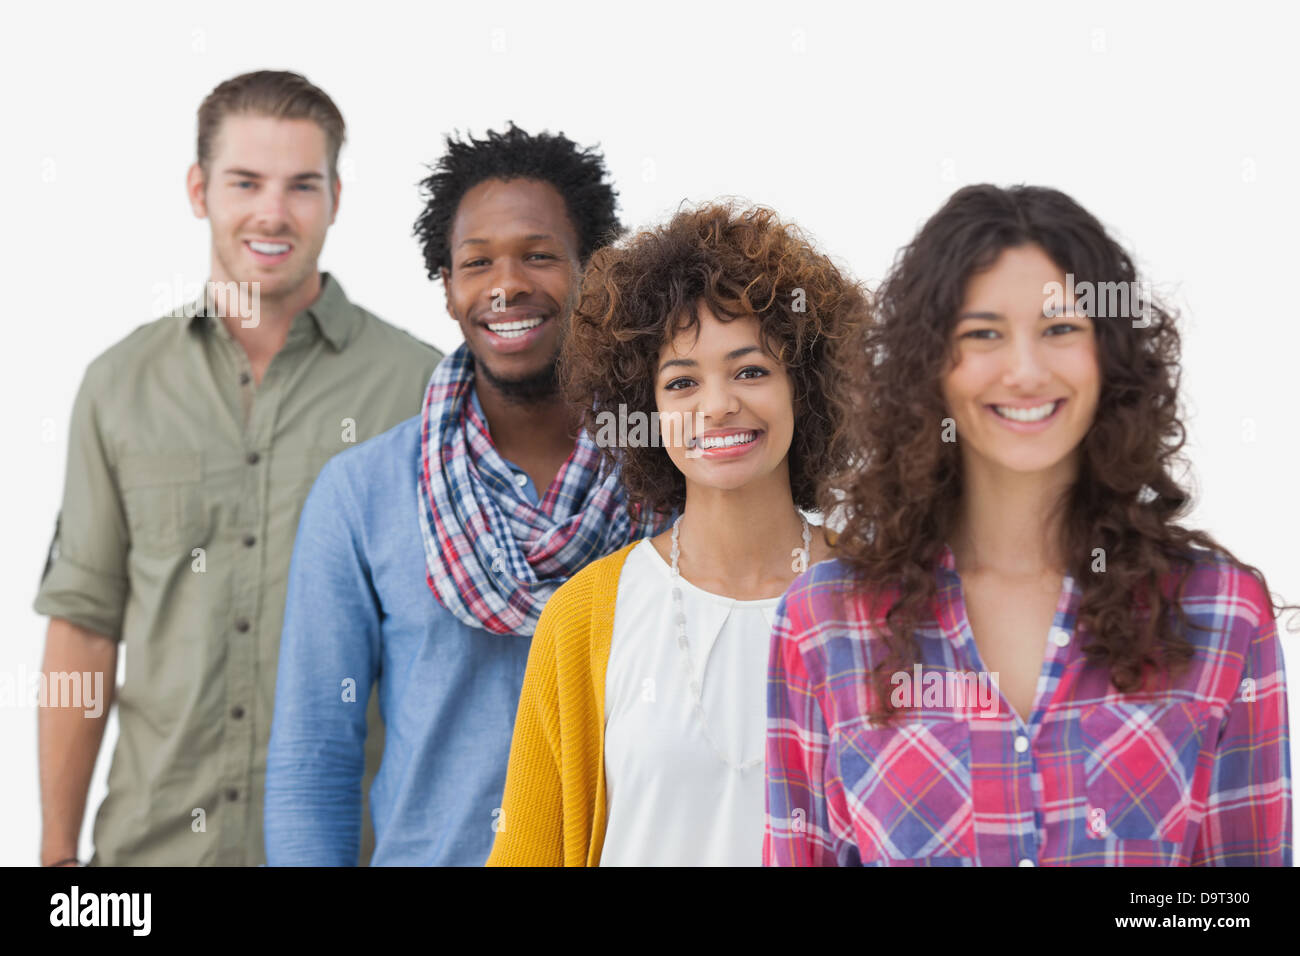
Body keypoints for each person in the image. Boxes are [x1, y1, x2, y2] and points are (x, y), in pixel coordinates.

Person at [765, 184, 1293, 867]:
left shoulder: (1220, 614)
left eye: (1060, 329)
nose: (1024, 370)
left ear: (1109, 356)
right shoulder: (822, 623)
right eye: (983, 334)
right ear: (930, 368)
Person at [34, 70, 442, 867]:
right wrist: (54, 853)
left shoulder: (419, 389)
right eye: (246, 182)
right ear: (198, 189)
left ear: (335, 198)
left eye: (302, 185)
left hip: (352, 847)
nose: (273, 213)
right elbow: (82, 629)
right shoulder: (119, 386)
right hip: (149, 855)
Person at [264, 124, 656, 866]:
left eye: (539, 256)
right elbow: (315, 754)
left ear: (593, 274)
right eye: (477, 263)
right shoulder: (363, 494)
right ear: (447, 287)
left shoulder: (665, 476)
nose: (507, 285)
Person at [486, 202, 867, 866]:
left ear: (802, 389)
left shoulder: (883, 606)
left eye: (751, 370)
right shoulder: (585, 618)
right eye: (683, 381)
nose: (717, 405)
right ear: (649, 407)